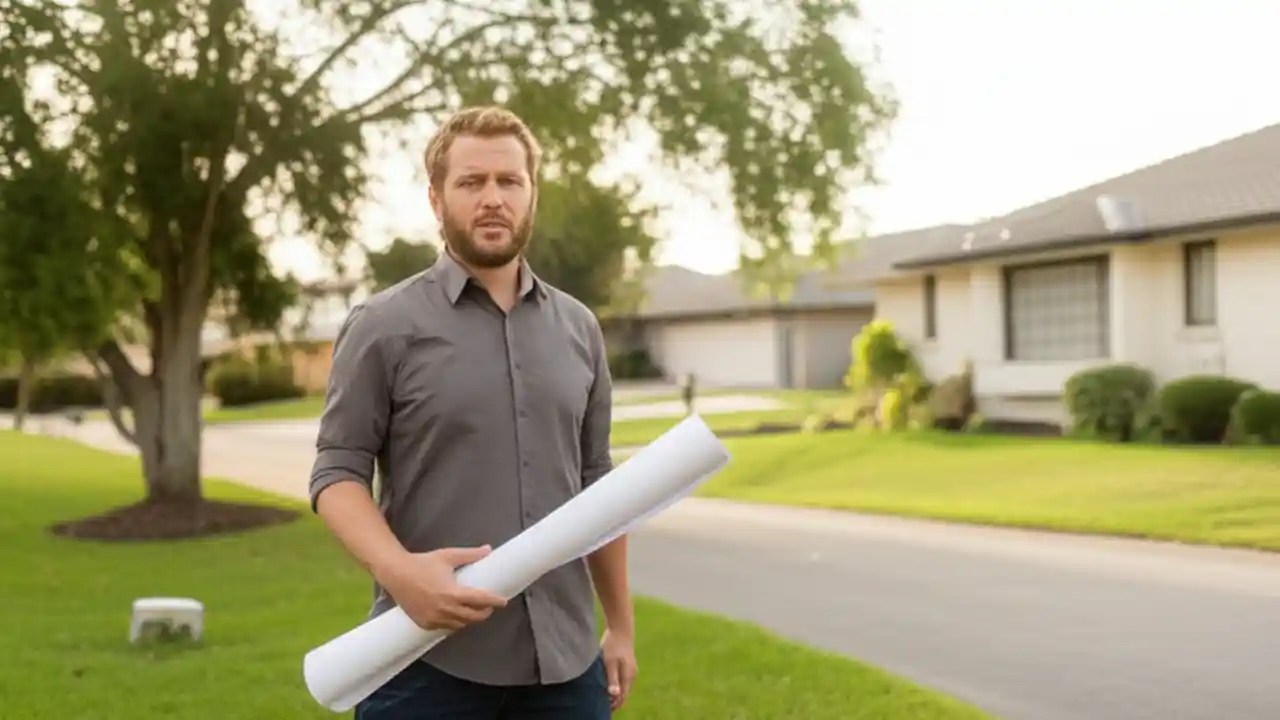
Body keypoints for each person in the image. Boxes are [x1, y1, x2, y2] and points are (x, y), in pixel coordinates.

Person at [309, 106, 636, 719]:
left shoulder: (579, 329)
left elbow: (598, 485)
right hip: (425, 663)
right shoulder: (384, 326)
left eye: (509, 181)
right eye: (471, 182)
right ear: (437, 200)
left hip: (565, 672)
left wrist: (619, 627)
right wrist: (399, 572)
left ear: (531, 193)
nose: (493, 198)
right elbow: (336, 473)